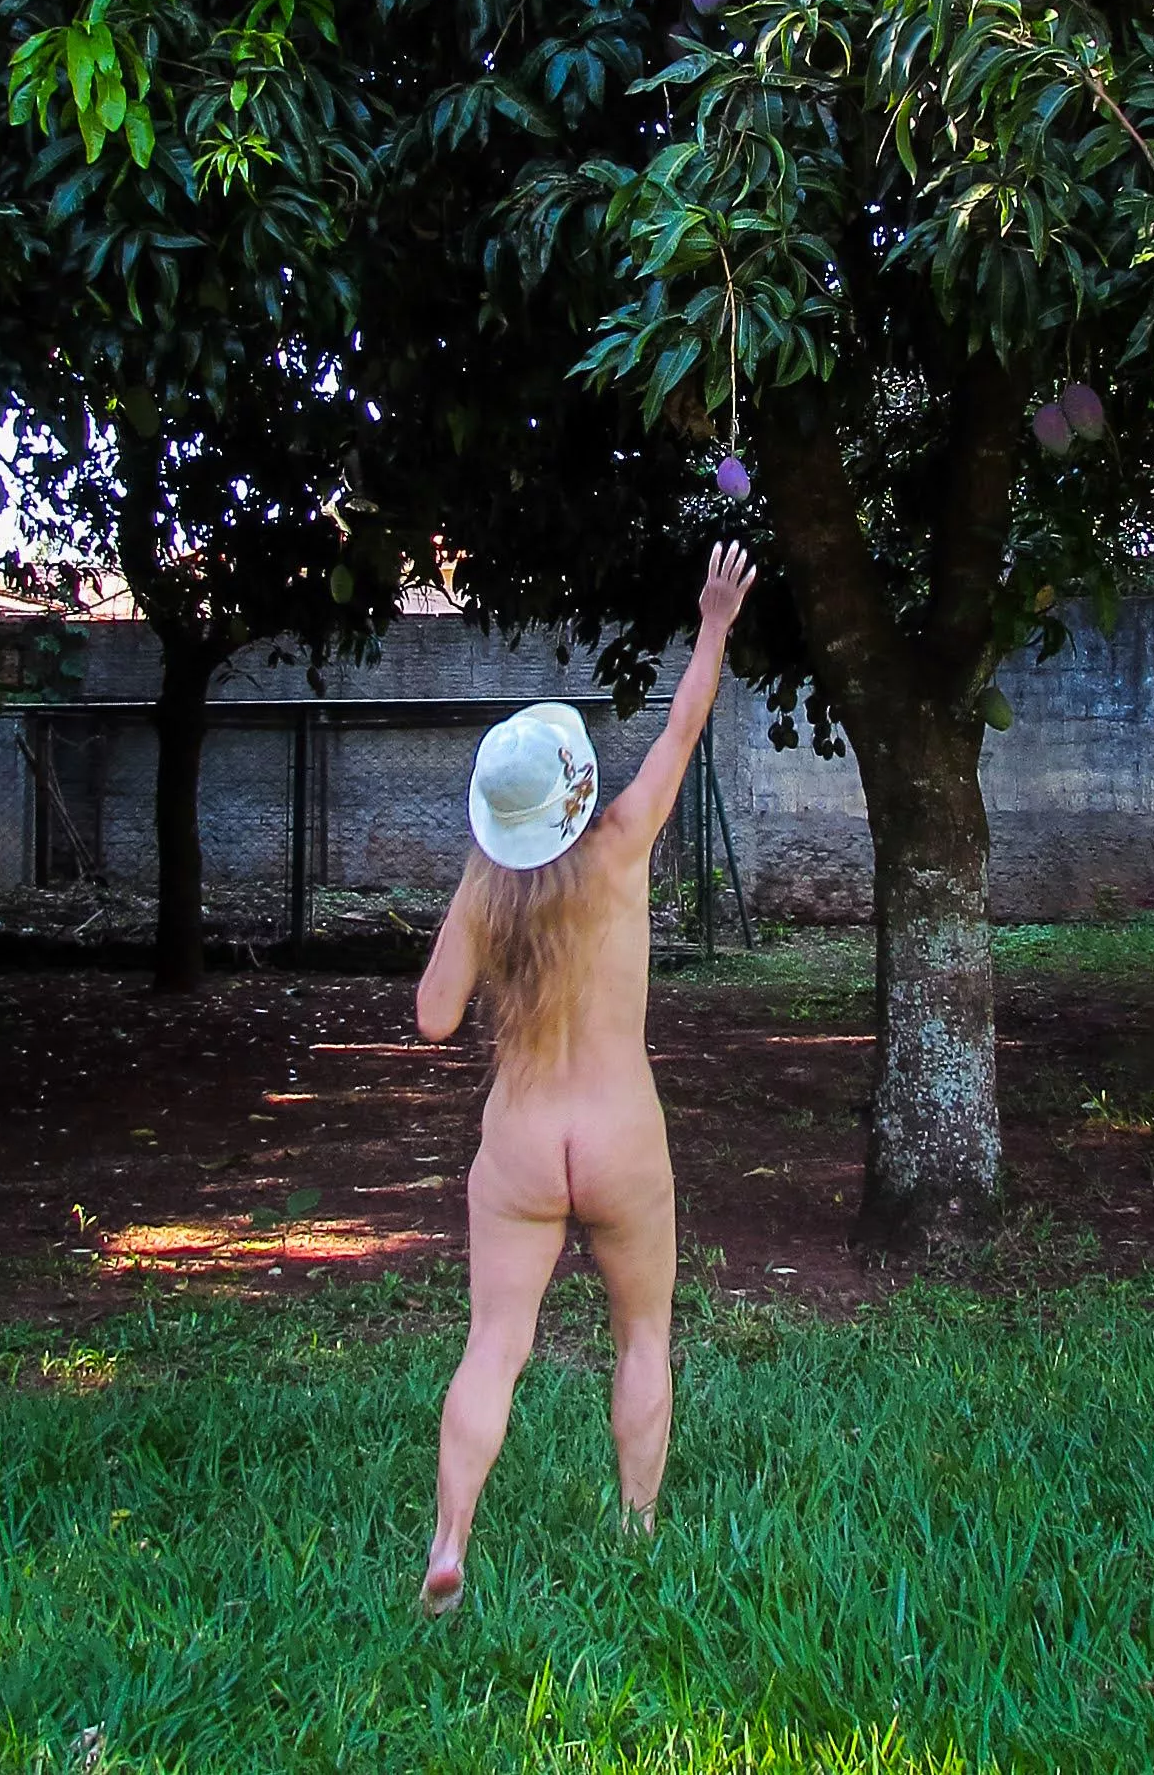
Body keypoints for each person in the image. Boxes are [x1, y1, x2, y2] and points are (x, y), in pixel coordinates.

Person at [413, 539, 757, 1615]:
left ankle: (450, 1541)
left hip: (519, 1145)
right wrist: (710, 626)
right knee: (644, 1333)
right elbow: (685, 727)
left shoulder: (485, 887)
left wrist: (475, 901)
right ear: (573, 788)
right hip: (620, 1137)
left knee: (493, 1347)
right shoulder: (620, 844)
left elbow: (431, 1020)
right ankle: (638, 1535)